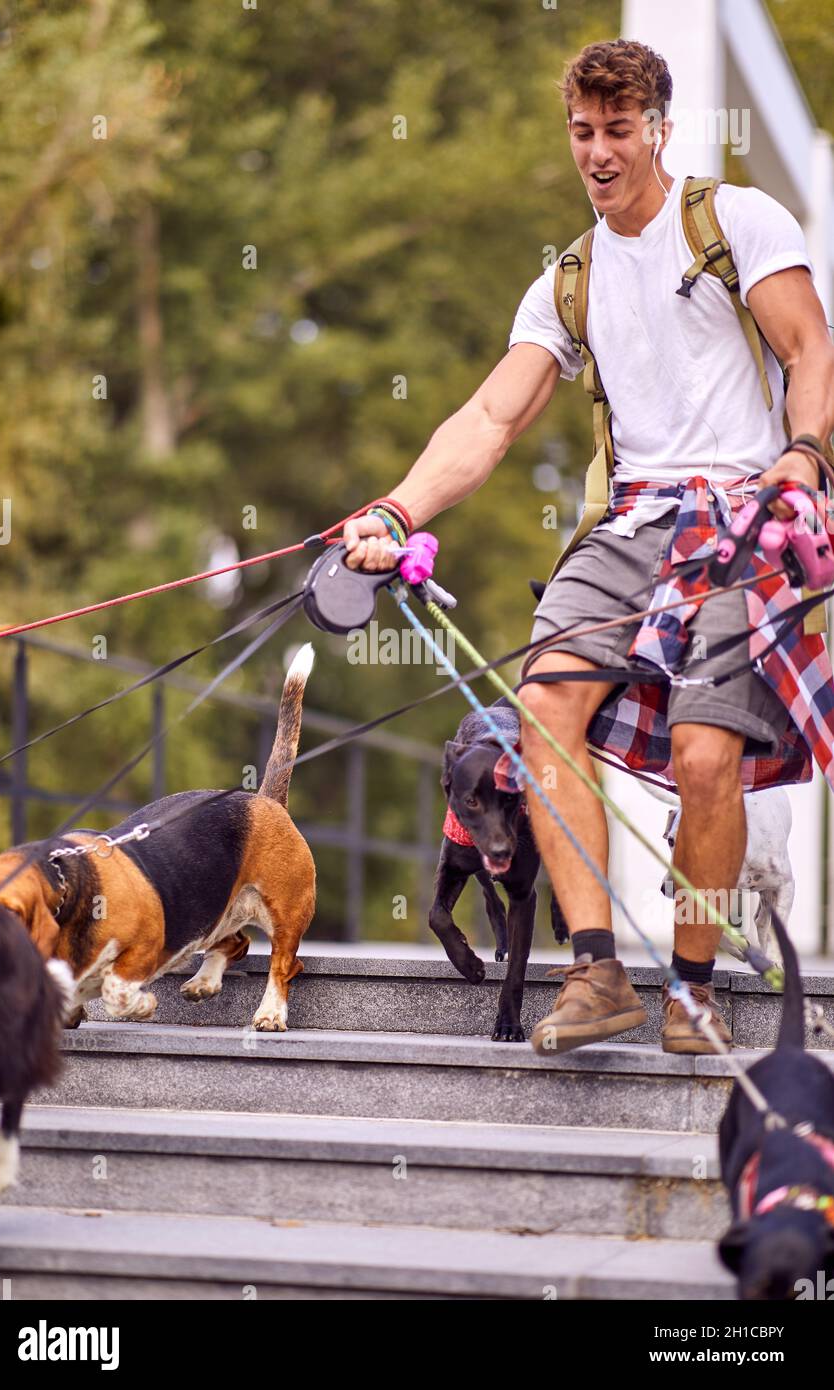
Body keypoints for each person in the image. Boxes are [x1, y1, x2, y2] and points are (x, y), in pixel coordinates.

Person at [342, 39, 834, 1055]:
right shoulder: (564, 282)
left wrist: (799, 456)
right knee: (542, 705)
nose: (598, 153)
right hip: (628, 524)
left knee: (706, 758)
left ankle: (689, 987)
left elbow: (807, 348)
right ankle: (595, 968)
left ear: (656, 128)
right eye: (582, 133)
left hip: (738, 514)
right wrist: (394, 511)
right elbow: (488, 420)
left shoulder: (732, 220)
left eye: (617, 131)